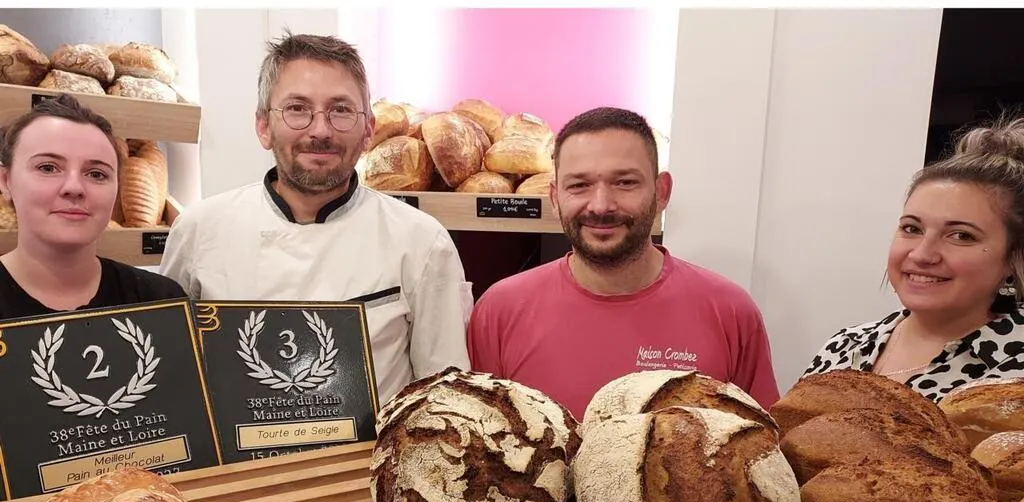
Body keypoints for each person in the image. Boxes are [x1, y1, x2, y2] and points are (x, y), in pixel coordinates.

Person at [159, 32, 471, 404]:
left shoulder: (421, 240)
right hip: (244, 462)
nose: (320, 130)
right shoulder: (199, 230)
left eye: (340, 110)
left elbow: (445, 398)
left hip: (369, 462)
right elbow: (171, 379)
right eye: (297, 108)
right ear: (263, 126)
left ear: (368, 129)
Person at [467, 106, 780, 419]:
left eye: (625, 182)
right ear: (555, 198)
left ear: (661, 192)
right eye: (579, 185)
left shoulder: (730, 312)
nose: (601, 205)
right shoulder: (499, 311)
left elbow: (760, 448)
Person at [803, 116, 1024, 402]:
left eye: (961, 236)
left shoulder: (1014, 373)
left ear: (1013, 258)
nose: (921, 254)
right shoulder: (847, 344)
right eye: (912, 228)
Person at [0, 93, 185, 320]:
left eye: (96, 174)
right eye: (48, 168)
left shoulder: (162, 301)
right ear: (6, 181)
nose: (74, 187)